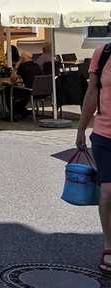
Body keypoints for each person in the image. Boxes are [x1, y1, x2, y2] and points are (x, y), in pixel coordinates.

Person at [77, 44, 111, 274]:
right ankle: (109, 246)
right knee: (107, 192)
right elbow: (92, 93)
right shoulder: (103, 53)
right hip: (104, 134)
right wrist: (81, 128)